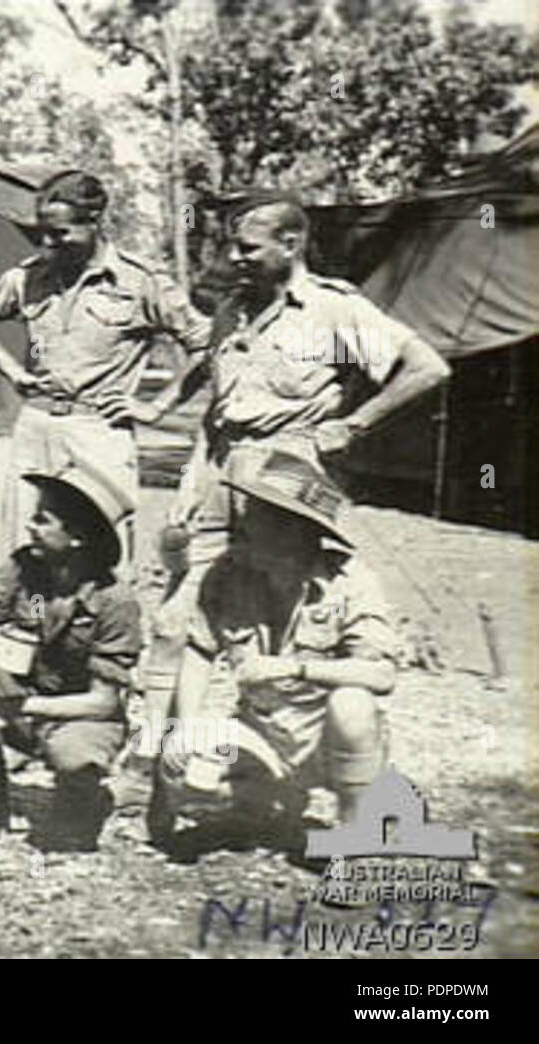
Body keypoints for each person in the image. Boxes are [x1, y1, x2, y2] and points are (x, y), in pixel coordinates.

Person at [132, 190, 450, 814]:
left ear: (291, 243)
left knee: (296, 610)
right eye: (231, 244)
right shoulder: (235, 308)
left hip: (287, 478)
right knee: (179, 619)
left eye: (247, 247)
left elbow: (427, 366)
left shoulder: (333, 309)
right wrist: (187, 476)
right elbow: (214, 394)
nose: (234, 256)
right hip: (223, 470)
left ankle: (319, 761)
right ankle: (161, 766)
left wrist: (354, 426)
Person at [151, 450, 398, 850]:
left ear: (294, 529)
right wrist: (194, 725)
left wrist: (292, 669)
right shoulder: (230, 572)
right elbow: (198, 649)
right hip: (261, 731)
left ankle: (360, 839)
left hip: (323, 738)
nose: (242, 522)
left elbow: (381, 675)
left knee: (352, 705)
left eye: (257, 514)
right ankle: (265, 807)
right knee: (182, 770)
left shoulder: (349, 581)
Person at [0, 170, 212, 562]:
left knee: (99, 555)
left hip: (100, 432)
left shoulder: (140, 280)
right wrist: (12, 371)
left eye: (60, 233)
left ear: (94, 222)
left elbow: (205, 344)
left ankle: (99, 625)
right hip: (36, 428)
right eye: (42, 232)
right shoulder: (29, 277)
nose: (48, 242)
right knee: (25, 552)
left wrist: (156, 407)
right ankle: (33, 621)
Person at [0, 468, 141, 851]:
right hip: (20, 696)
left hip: (79, 718)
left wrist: (16, 706)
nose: (30, 527)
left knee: (75, 761)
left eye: (43, 519)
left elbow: (103, 702)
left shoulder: (115, 602)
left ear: (77, 537)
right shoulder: (27, 568)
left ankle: (82, 801)